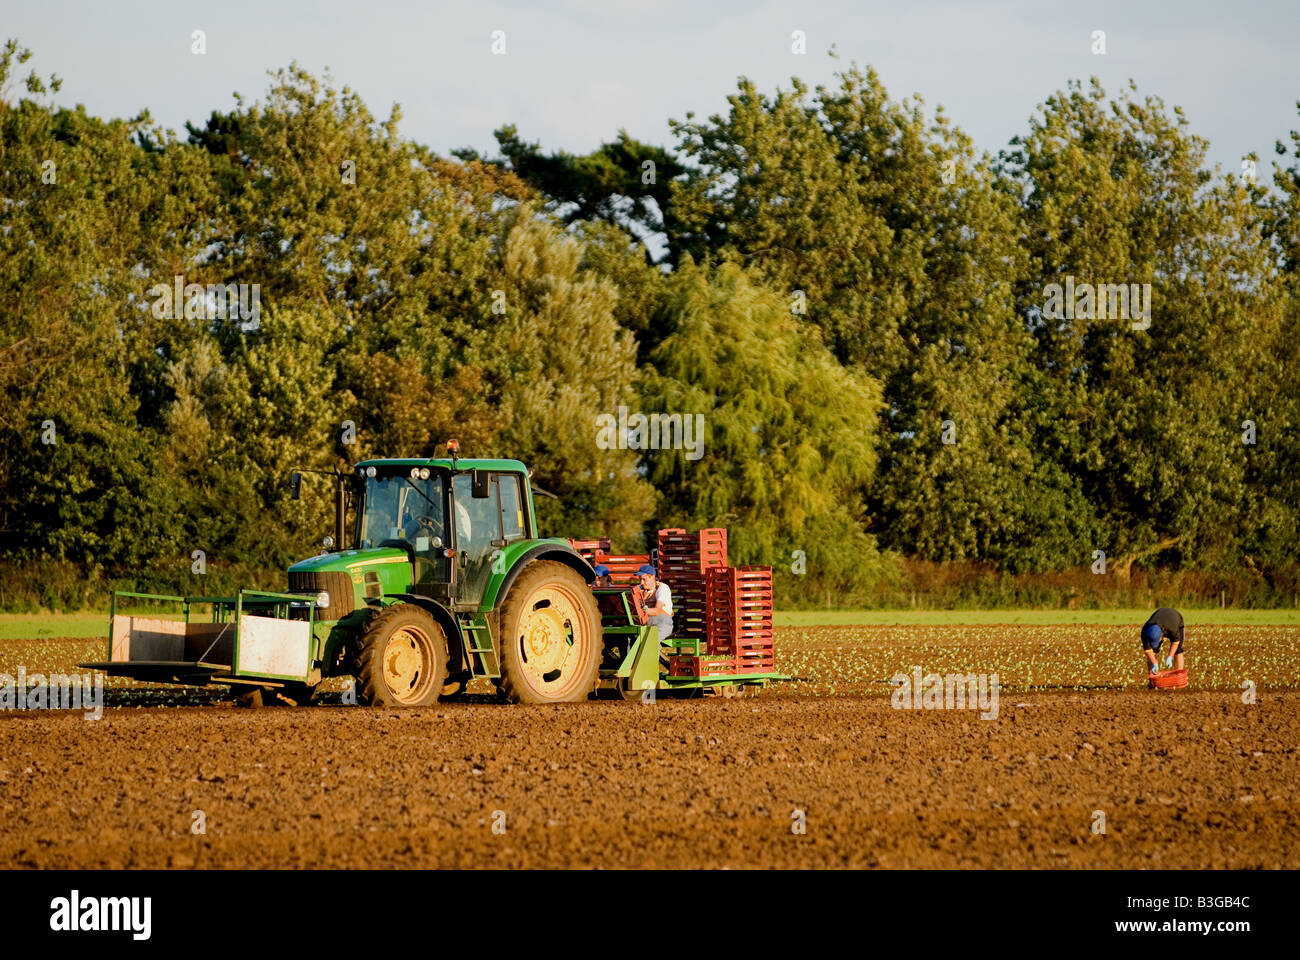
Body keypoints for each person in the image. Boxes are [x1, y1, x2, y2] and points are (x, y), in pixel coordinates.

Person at [634, 563, 674, 670]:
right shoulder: (640, 589)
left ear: (652, 577)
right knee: (634, 642)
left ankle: (650, 674)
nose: (641, 582)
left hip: (663, 623)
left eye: (644, 579)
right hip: (647, 624)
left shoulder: (662, 588)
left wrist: (644, 609)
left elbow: (656, 611)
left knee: (651, 642)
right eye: (640, 579)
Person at [1141, 607, 1185, 674]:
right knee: (1153, 652)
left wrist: (1170, 657)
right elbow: (1148, 651)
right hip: (1160, 620)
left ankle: (1179, 675)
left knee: (1178, 650)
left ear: (1161, 637)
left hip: (1175, 619)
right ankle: (1152, 677)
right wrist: (1154, 663)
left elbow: (1175, 642)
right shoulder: (1145, 632)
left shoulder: (1172, 628)